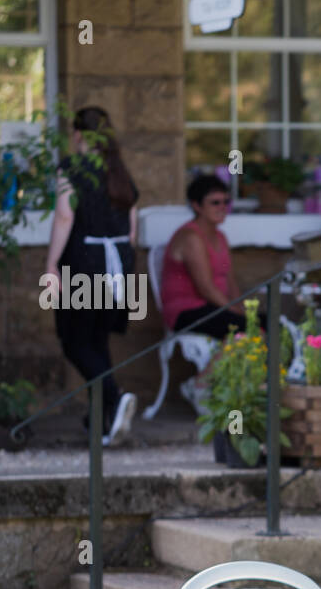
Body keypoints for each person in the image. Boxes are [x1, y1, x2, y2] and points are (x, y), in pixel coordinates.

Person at [44, 106, 140, 446]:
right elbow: (131, 231)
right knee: (97, 342)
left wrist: (51, 265)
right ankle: (100, 420)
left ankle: (114, 399)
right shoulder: (120, 172)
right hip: (120, 268)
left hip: (85, 264)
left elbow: (64, 217)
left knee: (75, 342)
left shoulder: (72, 168)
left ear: (78, 135)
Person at [161, 174, 246, 339]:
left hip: (214, 307)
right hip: (187, 310)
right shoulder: (191, 237)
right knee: (244, 328)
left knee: (269, 324)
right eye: (215, 202)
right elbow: (206, 289)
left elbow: (230, 281)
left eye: (225, 202)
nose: (222, 207)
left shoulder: (220, 236)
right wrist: (237, 312)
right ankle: (218, 366)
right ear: (196, 206)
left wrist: (241, 308)